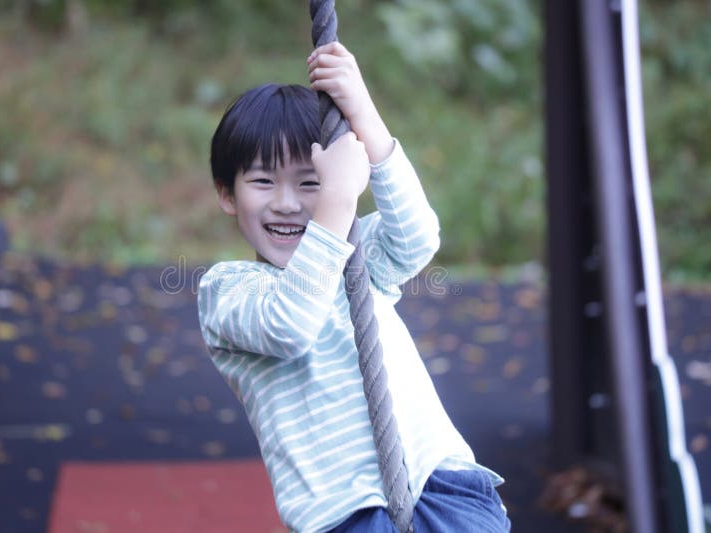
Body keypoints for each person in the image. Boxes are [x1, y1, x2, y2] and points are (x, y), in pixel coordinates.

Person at [197, 41, 510, 533]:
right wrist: (336, 200)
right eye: (262, 181)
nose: (286, 203)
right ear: (226, 194)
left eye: (309, 182)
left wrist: (365, 117)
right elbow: (289, 325)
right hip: (346, 517)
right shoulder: (227, 292)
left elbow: (416, 238)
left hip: (440, 485)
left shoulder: (352, 260)